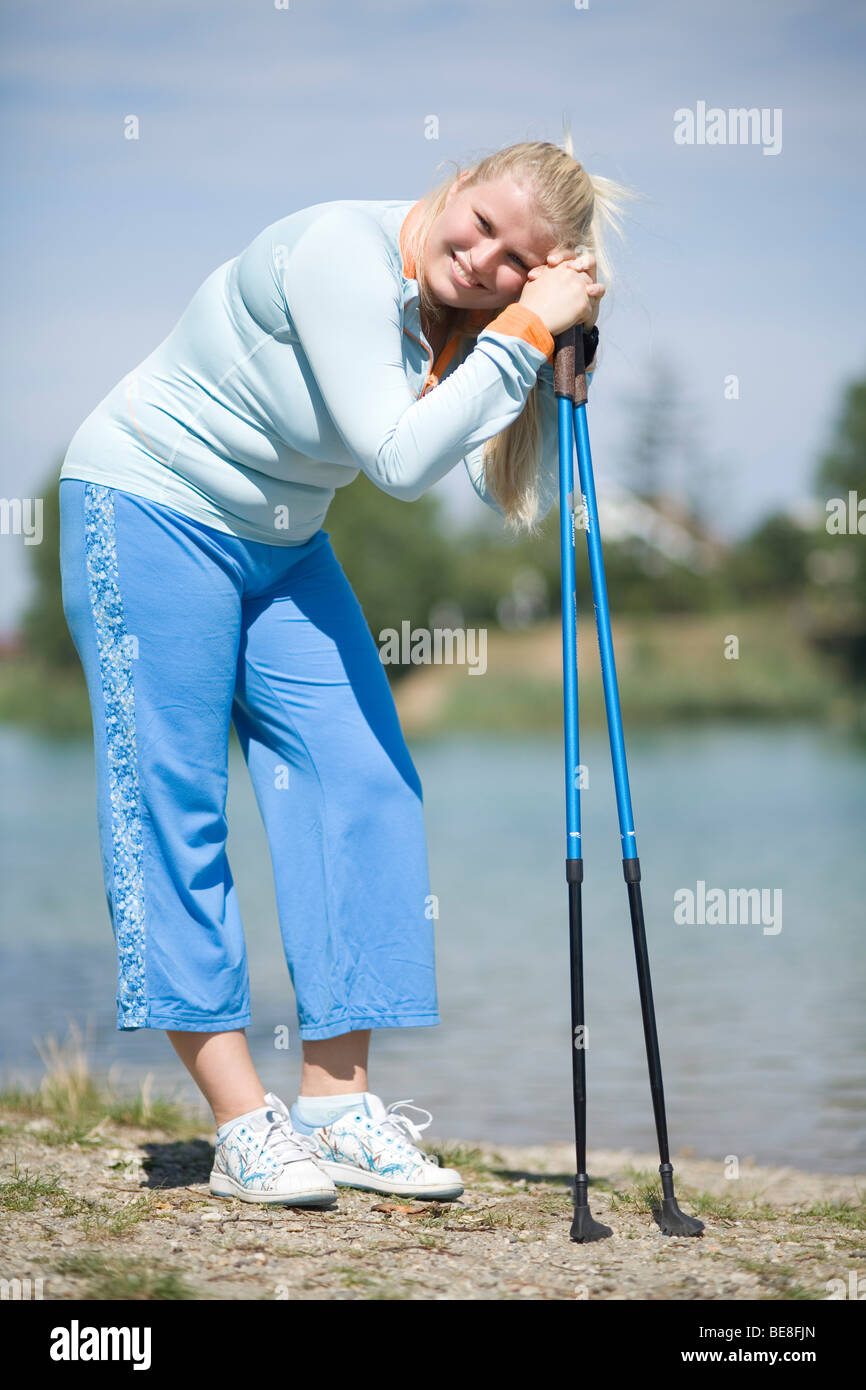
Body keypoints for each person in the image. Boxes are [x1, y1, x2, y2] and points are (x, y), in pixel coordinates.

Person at [58, 135, 631, 1207]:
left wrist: (563, 340)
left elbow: (465, 446)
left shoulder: (463, 312)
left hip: (282, 539)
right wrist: (523, 327)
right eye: (482, 223)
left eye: (520, 262)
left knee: (360, 773)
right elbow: (401, 460)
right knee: (172, 805)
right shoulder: (336, 251)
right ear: (454, 183)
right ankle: (241, 1124)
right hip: (146, 505)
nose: (484, 259)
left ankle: (334, 1105)